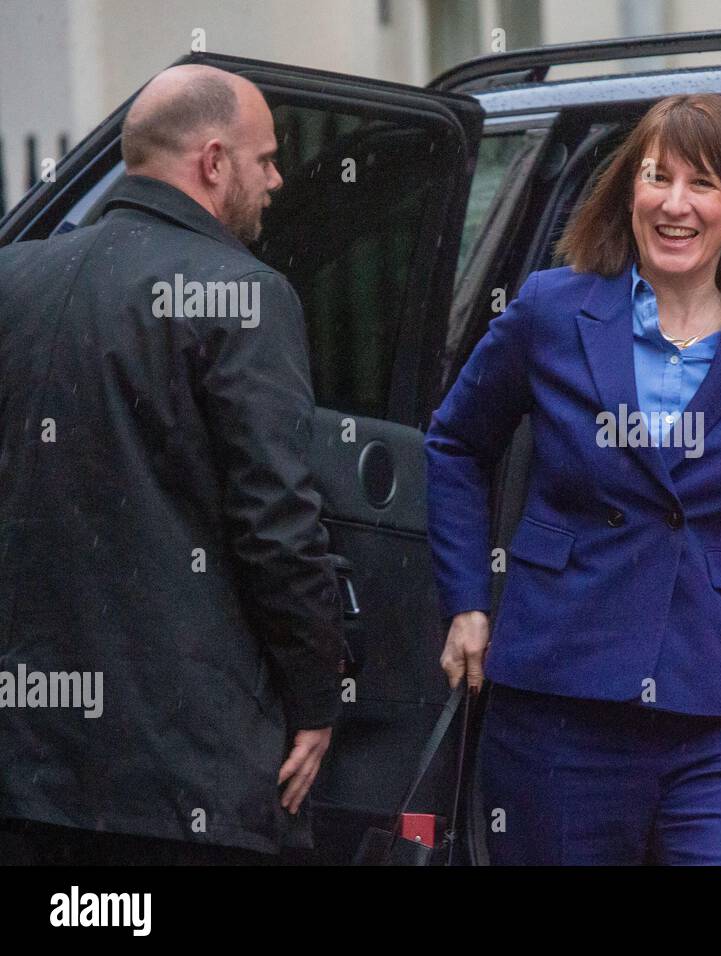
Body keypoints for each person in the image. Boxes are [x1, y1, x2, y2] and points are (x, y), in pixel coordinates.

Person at [425, 93, 721, 865]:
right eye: (658, 178)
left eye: (703, 183)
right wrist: (468, 601)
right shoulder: (551, 309)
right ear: (629, 193)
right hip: (561, 702)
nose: (676, 204)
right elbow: (453, 443)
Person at [0, 64, 343, 864]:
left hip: (25, 772)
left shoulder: (13, 279)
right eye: (266, 160)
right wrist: (317, 699)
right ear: (214, 162)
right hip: (184, 776)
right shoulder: (243, 295)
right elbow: (277, 527)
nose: (278, 179)